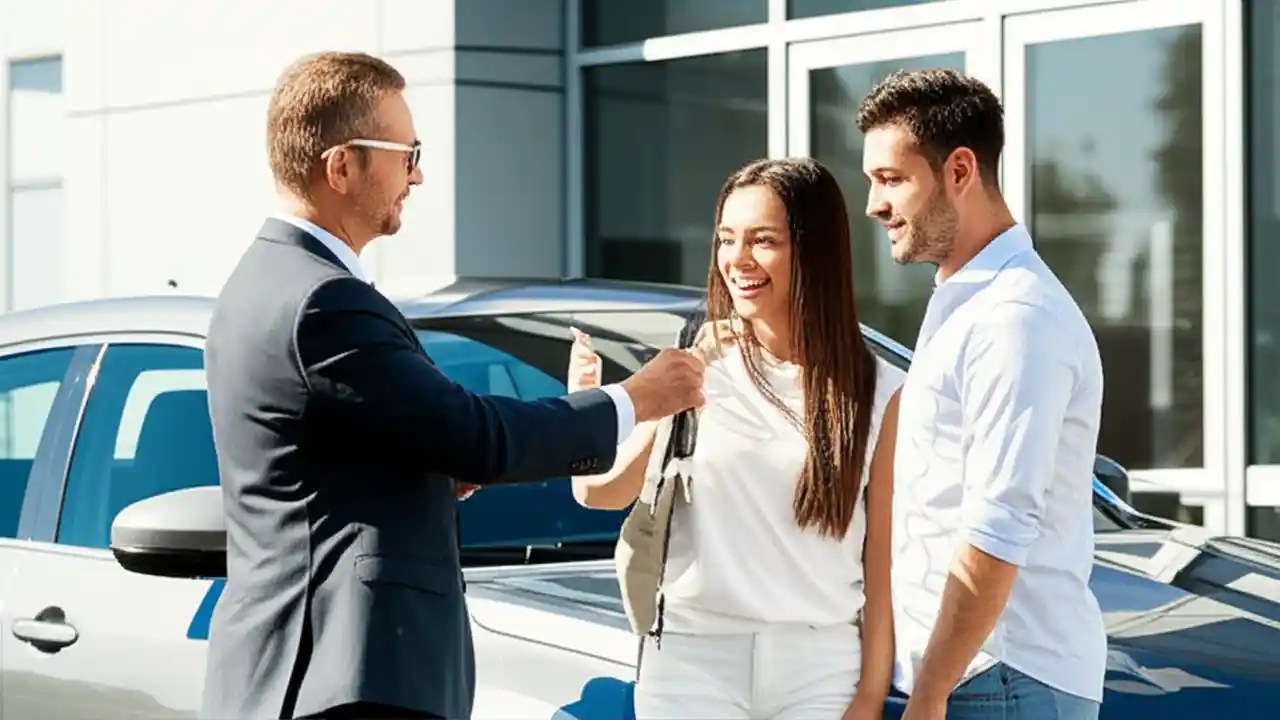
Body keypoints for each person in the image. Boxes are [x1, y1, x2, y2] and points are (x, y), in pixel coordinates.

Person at [199, 51, 706, 720]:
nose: (419, 174)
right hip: (347, 677)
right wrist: (637, 398)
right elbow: (477, 438)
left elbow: (349, 456)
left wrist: (432, 470)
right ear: (342, 165)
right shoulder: (323, 301)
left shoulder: (264, 283)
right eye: (407, 154)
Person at [568, 157, 903, 720]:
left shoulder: (882, 391)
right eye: (726, 239)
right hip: (691, 667)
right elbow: (600, 492)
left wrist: (871, 695)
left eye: (762, 240)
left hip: (821, 670)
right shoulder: (697, 366)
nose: (737, 260)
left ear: (813, 250)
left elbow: (883, 562)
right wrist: (591, 403)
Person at [856, 68, 1106, 720]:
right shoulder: (966, 302)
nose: (873, 205)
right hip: (979, 679)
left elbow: (998, 525)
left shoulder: (1015, 317)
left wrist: (931, 694)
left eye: (890, 179)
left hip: (999, 680)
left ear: (959, 170)